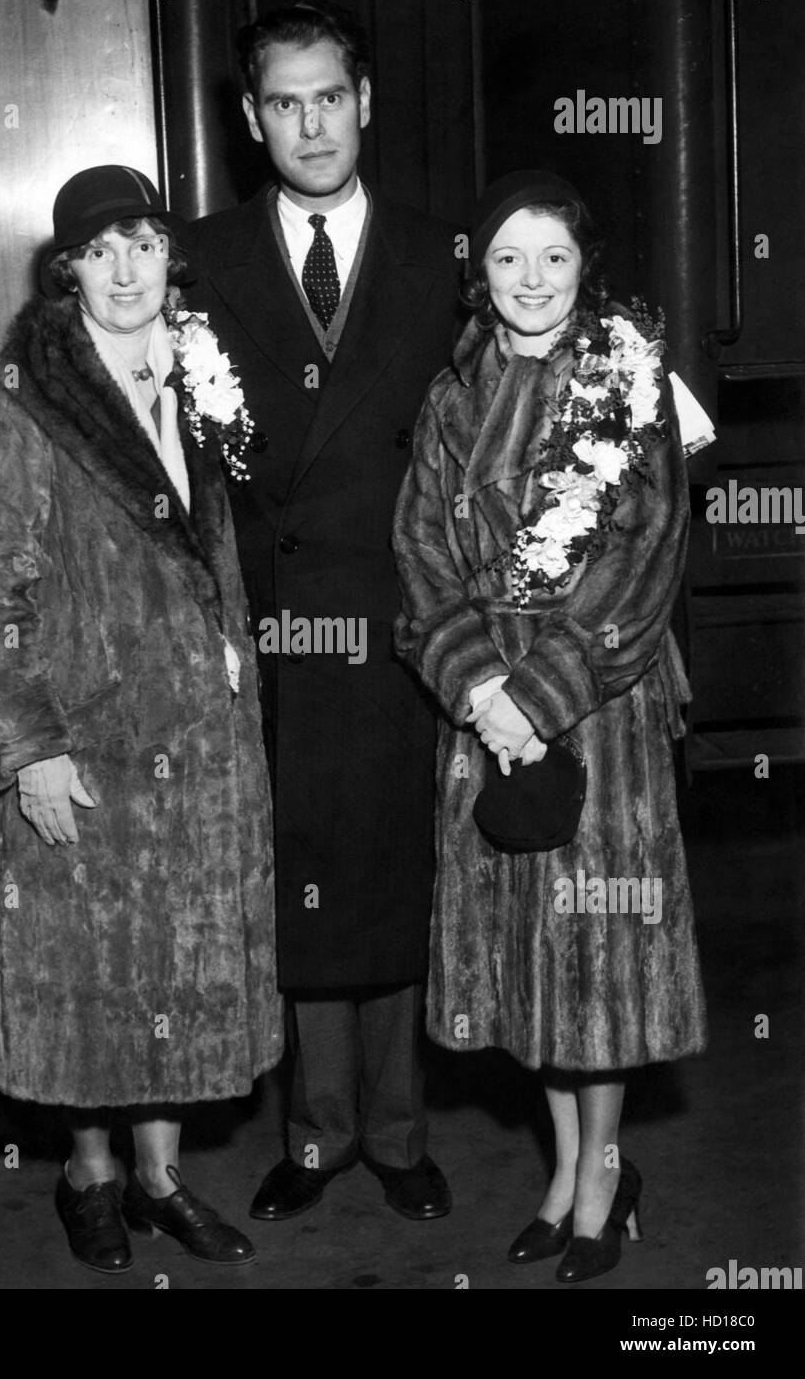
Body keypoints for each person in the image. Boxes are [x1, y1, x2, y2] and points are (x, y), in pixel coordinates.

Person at [0, 164, 282, 1273]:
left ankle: (160, 1178)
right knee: (84, 975)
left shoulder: (196, 373)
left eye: (145, 243)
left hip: (195, 739)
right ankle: (89, 1174)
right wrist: (30, 750)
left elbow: (218, 549)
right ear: (68, 274)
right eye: (103, 251)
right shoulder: (27, 399)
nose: (128, 268)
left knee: (176, 970)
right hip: (81, 738)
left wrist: (236, 659)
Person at [392, 170, 708, 1282]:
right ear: (479, 275)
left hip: (599, 714)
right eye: (508, 261)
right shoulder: (450, 394)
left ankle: (603, 1176)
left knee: (598, 962)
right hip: (482, 712)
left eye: (554, 259)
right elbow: (420, 554)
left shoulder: (628, 382)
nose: (531, 281)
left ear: (586, 270)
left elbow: (645, 557)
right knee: (528, 958)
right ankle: (564, 1170)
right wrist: (479, 688)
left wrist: (539, 695)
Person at [190, 0, 459, 1222]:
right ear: (252, 120)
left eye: (329, 97)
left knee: (396, 867)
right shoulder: (196, 259)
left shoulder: (448, 256)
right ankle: (316, 1135)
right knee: (297, 875)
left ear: (365, 104)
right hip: (273, 629)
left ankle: (399, 1135)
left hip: (400, 618)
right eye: (283, 103)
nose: (310, 123)